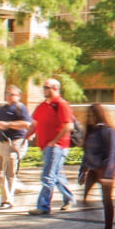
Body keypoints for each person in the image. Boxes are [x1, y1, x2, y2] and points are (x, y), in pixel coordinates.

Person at [29, 78, 76, 216]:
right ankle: (70, 198)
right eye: (43, 87)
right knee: (57, 176)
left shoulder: (61, 104)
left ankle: (43, 206)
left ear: (55, 88)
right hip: (45, 146)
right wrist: (25, 136)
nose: (44, 90)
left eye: (46, 87)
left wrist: (54, 141)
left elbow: (69, 126)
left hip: (57, 147)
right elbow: (35, 124)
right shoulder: (42, 106)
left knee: (48, 176)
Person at [79, 104, 115, 229]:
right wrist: (83, 171)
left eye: (92, 115)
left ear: (98, 115)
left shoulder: (108, 131)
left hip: (105, 170)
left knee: (107, 201)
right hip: (93, 169)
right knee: (85, 199)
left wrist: (107, 175)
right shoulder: (91, 132)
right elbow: (87, 153)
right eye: (88, 115)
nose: (89, 118)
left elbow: (111, 153)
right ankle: (96, 224)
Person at [0, 85, 31, 210]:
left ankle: (7, 201)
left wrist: (8, 125)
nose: (8, 96)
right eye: (7, 93)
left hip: (14, 143)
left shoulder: (21, 108)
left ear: (18, 96)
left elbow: (27, 124)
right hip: (0, 143)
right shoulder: (0, 107)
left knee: (8, 173)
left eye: (12, 94)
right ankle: (17, 186)